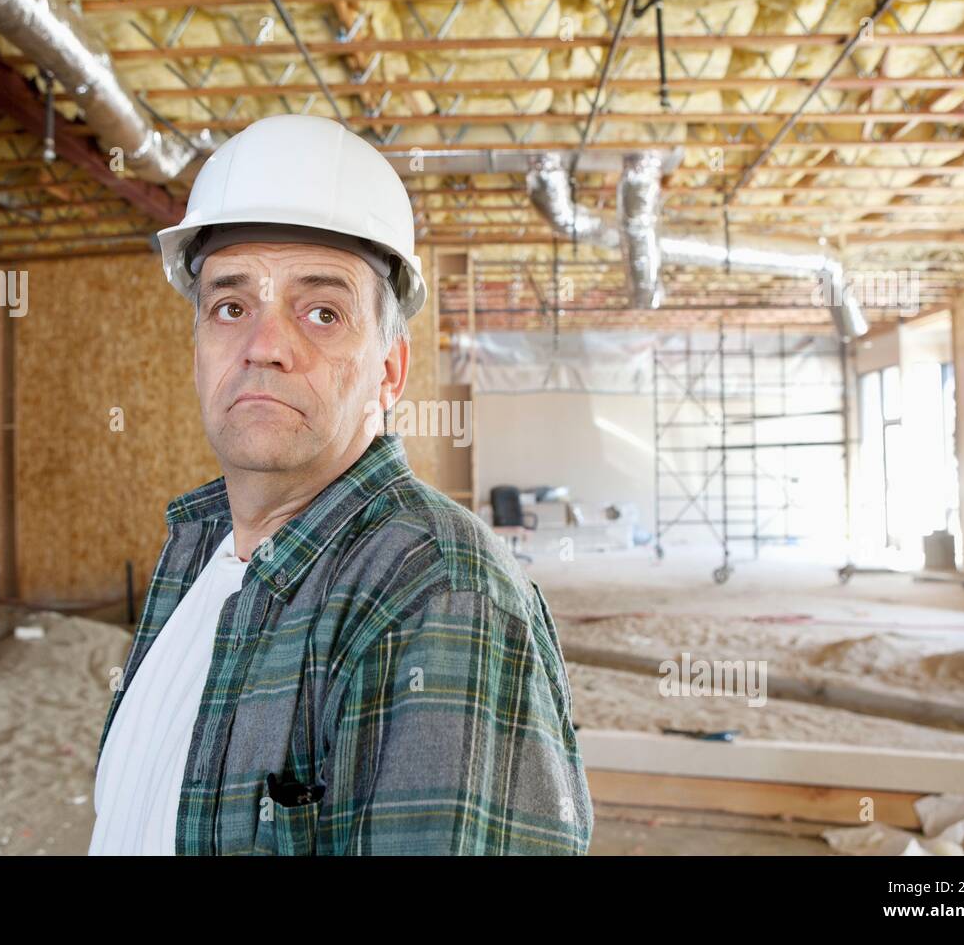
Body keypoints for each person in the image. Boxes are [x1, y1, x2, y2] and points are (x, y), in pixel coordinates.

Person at [89, 114, 591, 855]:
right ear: (199, 346)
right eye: (231, 306)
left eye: (321, 312)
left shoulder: (439, 597)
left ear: (389, 371)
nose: (264, 346)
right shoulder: (198, 556)